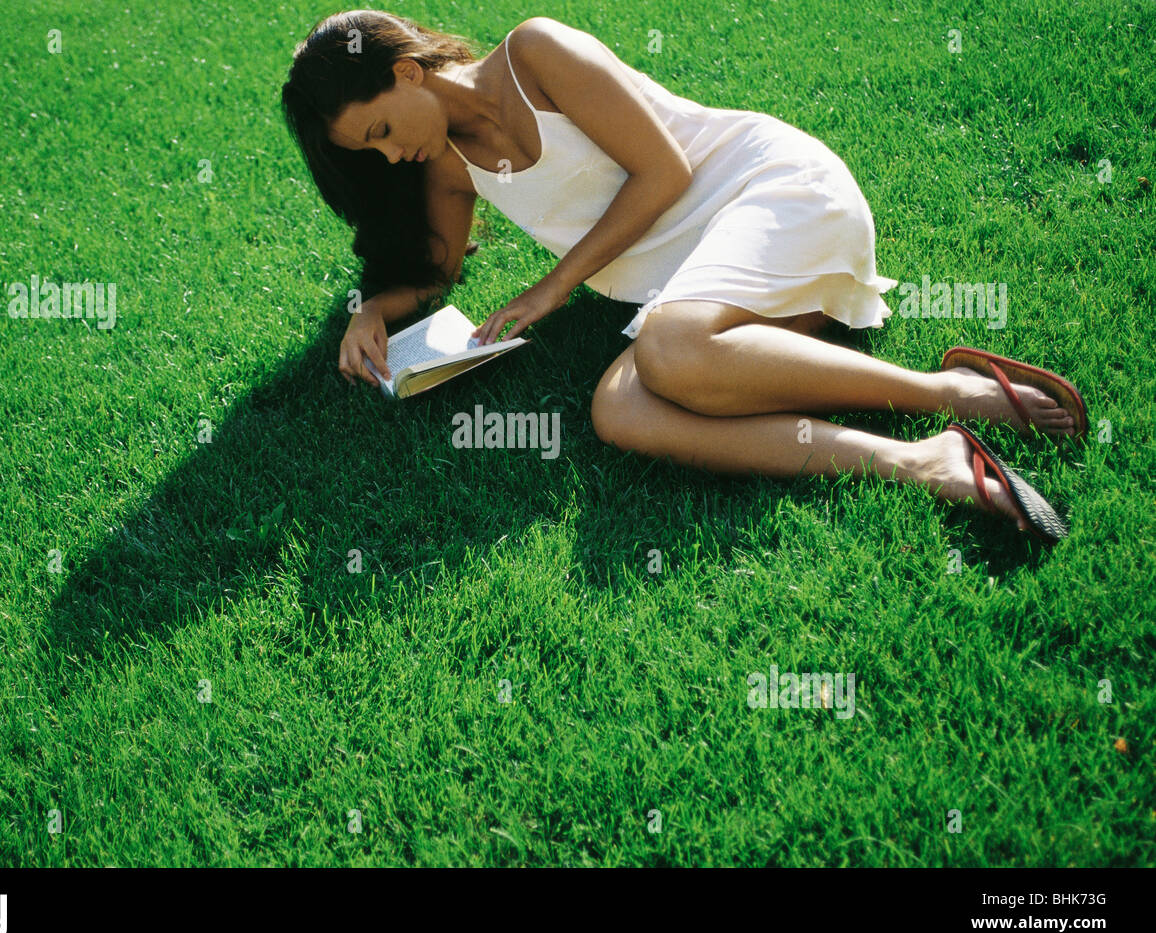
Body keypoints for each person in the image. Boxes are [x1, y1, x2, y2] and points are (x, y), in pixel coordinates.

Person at [281, 10, 1087, 542]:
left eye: (383, 129)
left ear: (410, 71)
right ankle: (924, 461)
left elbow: (663, 172)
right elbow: (435, 272)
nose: (392, 154)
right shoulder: (447, 165)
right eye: (372, 151)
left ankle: (948, 393)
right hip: (696, 290)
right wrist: (372, 311)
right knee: (619, 410)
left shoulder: (533, 53)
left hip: (770, 191)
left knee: (667, 349)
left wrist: (550, 289)